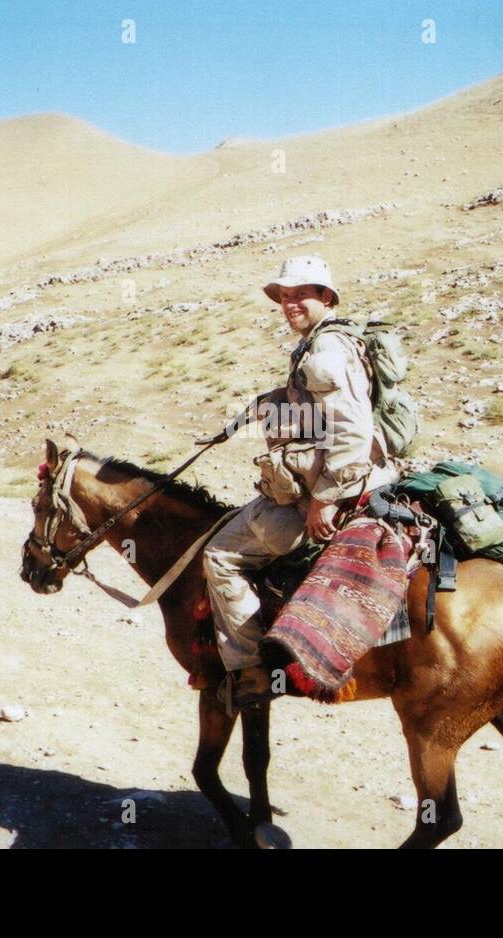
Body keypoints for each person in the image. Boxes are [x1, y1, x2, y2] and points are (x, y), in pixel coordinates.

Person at [203, 255, 398, 709]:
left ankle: (251, 672)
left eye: (300, 295)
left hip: (337, 487)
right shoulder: (327, 341)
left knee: (219, 555)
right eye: (284, 297)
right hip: (371, 475)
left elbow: (351, 431)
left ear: (326, 297)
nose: (290, 305)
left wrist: (323, 502)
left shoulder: (327, 350)